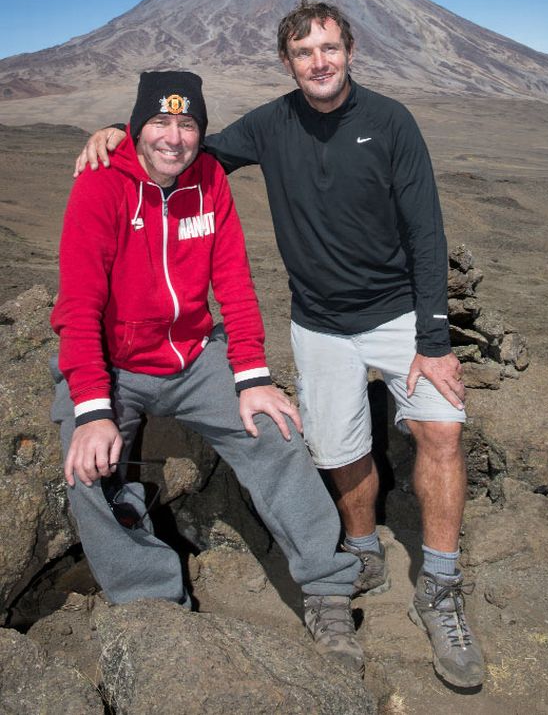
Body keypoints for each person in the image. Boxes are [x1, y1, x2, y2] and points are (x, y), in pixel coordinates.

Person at [76, 3, 485, 688]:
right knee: (339, 450)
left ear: (350, 50)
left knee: (440, 433)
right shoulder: (270, 123)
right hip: (320, 324)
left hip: (396, 318)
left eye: (329, 47)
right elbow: (185, 149)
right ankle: (360, 549)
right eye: (304, 52)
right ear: (287, 62)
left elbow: (426, 232)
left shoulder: (390, 122)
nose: (318, 61)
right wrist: (119, 133)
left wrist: (434, 339)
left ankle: (439, 588)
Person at [52, 69, 365, 675]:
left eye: (188, 123)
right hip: (111, 362)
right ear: (135, 127)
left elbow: (235, 283)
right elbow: (78, 306)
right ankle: (152, 603)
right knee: (86, 468)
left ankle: (328, 586)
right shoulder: (101, 184)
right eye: (160, 122)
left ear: (201, 131)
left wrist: (252, 375)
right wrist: (92, 410)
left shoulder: (210, 180)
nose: (174, 137)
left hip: (194, 355)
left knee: (274, 431)